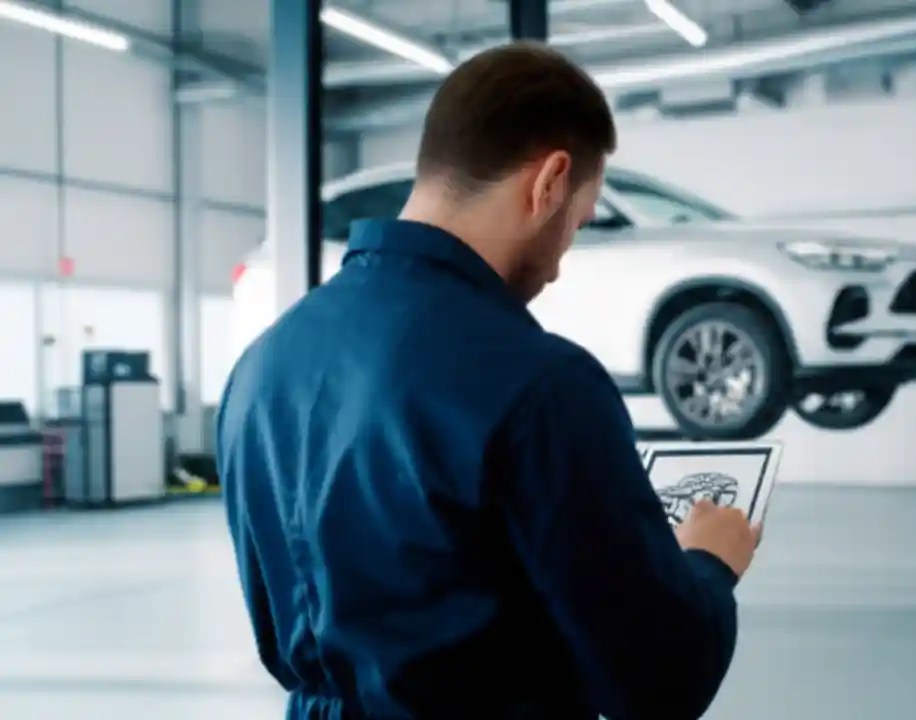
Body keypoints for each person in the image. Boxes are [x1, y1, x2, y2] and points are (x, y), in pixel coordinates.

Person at [217, 44, 761, 719]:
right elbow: (658, 683)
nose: (560, 262)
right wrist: (709, 563)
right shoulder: (543, 384)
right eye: (578, 225)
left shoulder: (261, 366)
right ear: (551, 183)